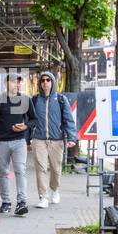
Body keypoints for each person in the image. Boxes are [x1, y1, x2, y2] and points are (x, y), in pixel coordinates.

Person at [0, 73, 33, 216]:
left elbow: (34, 119)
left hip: (19, 141)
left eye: (19, 82)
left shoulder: (25, 99)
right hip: (1, 142)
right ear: (6, 83)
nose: (16, 85)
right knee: (4, 172)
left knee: (20, 170)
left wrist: (25, 127)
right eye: (13, 82)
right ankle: (6, 202)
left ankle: (22, 202)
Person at [28, 71, 78, 207]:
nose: (45, 83)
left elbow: (68, 120)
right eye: (42, 80)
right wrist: (27, 139)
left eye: (48, 80)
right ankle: (43, 197)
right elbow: (29, 120)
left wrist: (72, 137)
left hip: (57, 140)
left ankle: (54, 189)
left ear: (52, 82)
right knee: (41, 169)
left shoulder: (61, 100)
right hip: (39, 139)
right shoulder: (34, 100)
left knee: (56, 170)